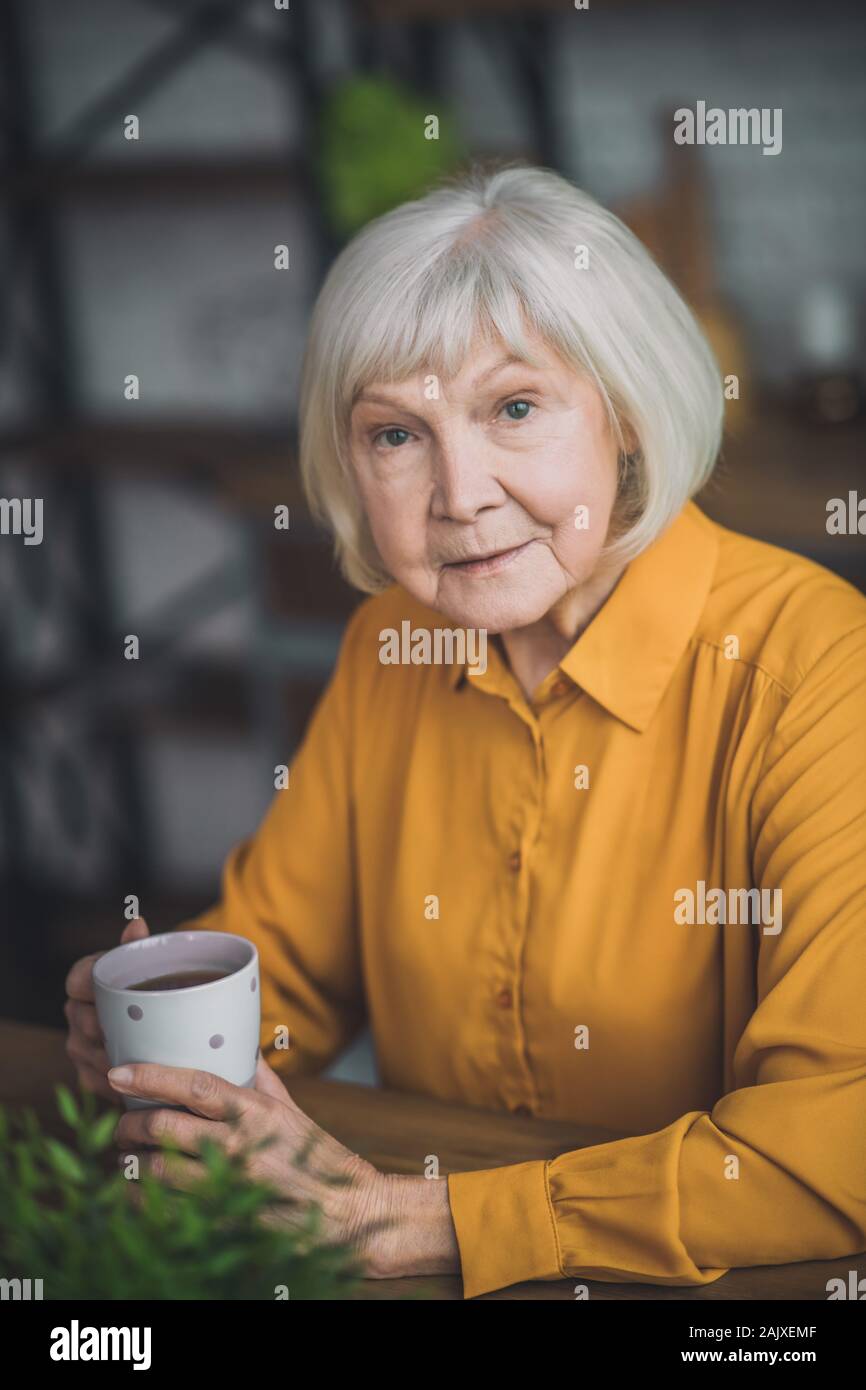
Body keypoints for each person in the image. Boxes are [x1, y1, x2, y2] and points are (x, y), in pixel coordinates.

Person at [65, 164, 866, 1298]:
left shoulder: (819, 670)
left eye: (514, 409)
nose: (458, 493)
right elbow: (283, 969)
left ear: (625, 419)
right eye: (396, 434)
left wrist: (442, 1218)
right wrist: (163, 1043)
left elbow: (836, 1145)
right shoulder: (390, 647)